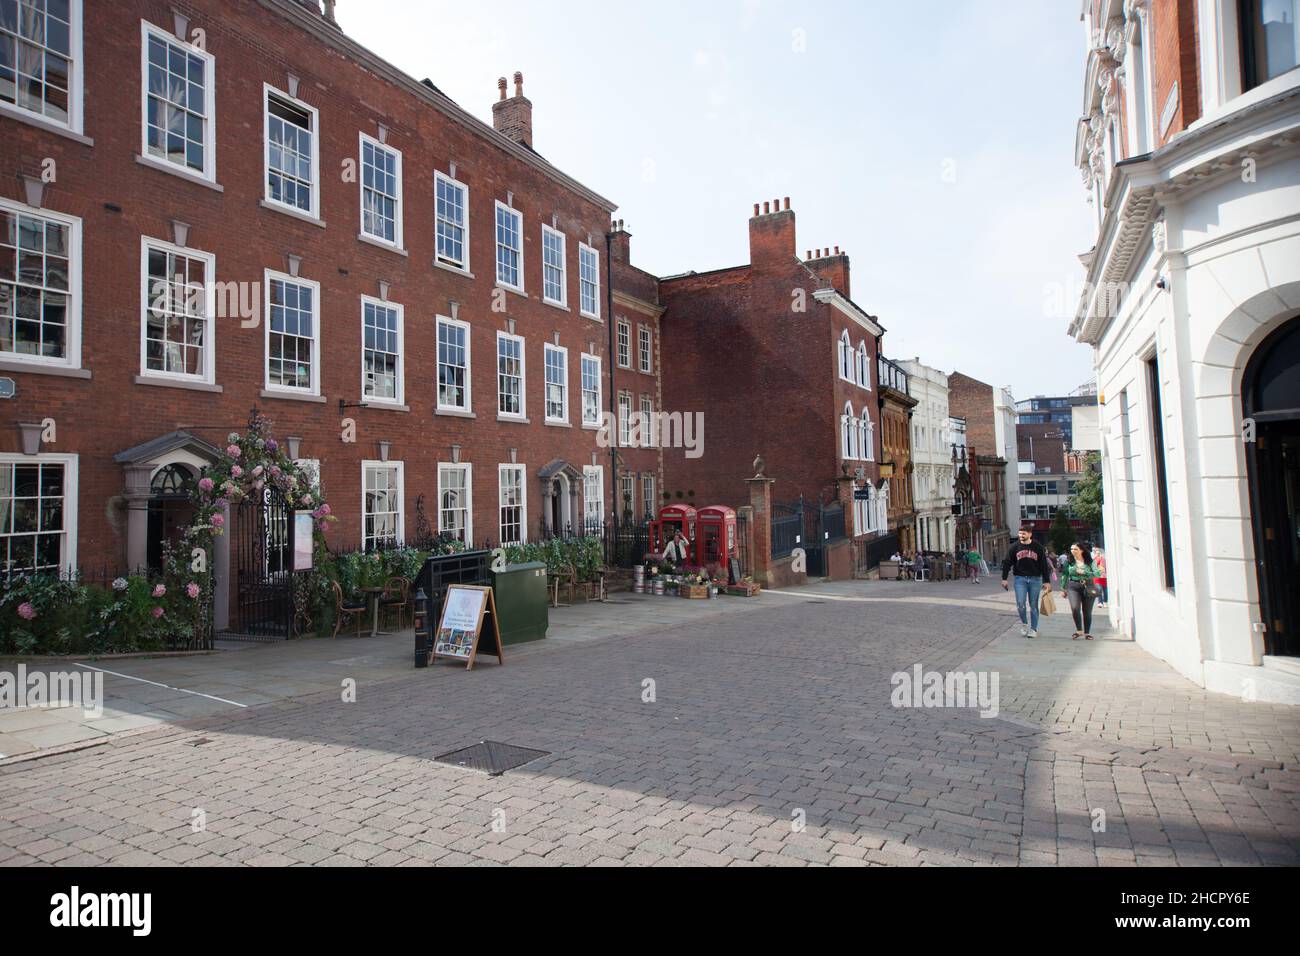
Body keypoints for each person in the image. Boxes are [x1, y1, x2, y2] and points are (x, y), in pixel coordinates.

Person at [1001, 526, 1054, 638]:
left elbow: (1044, 565)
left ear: (1030, 534)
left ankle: (1033, 629)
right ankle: (1024, 623)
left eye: (1023, 534)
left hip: (1035, 579)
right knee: (1020, 604)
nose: (1021, 536)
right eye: (1020, 534)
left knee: (1033, 605)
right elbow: (1007, 563)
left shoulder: (1038, 547)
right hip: (1020, 579)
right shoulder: (1014, 547)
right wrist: (1004, 579)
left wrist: (1047, 581)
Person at [1061, 541, 1100, 640]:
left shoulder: (1090, 561)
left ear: (1081, 550)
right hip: (1073, 586)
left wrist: (1085, 572)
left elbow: (1097, 574)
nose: (1073, 551)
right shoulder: (1069, 561)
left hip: (1088, 585)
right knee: (1075, 608)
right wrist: (1063, 588)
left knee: (1087, 611)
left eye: (1075, 549)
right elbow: (1064, 575)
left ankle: (1087, 633)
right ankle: (1079, 630)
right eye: (1071, 549)